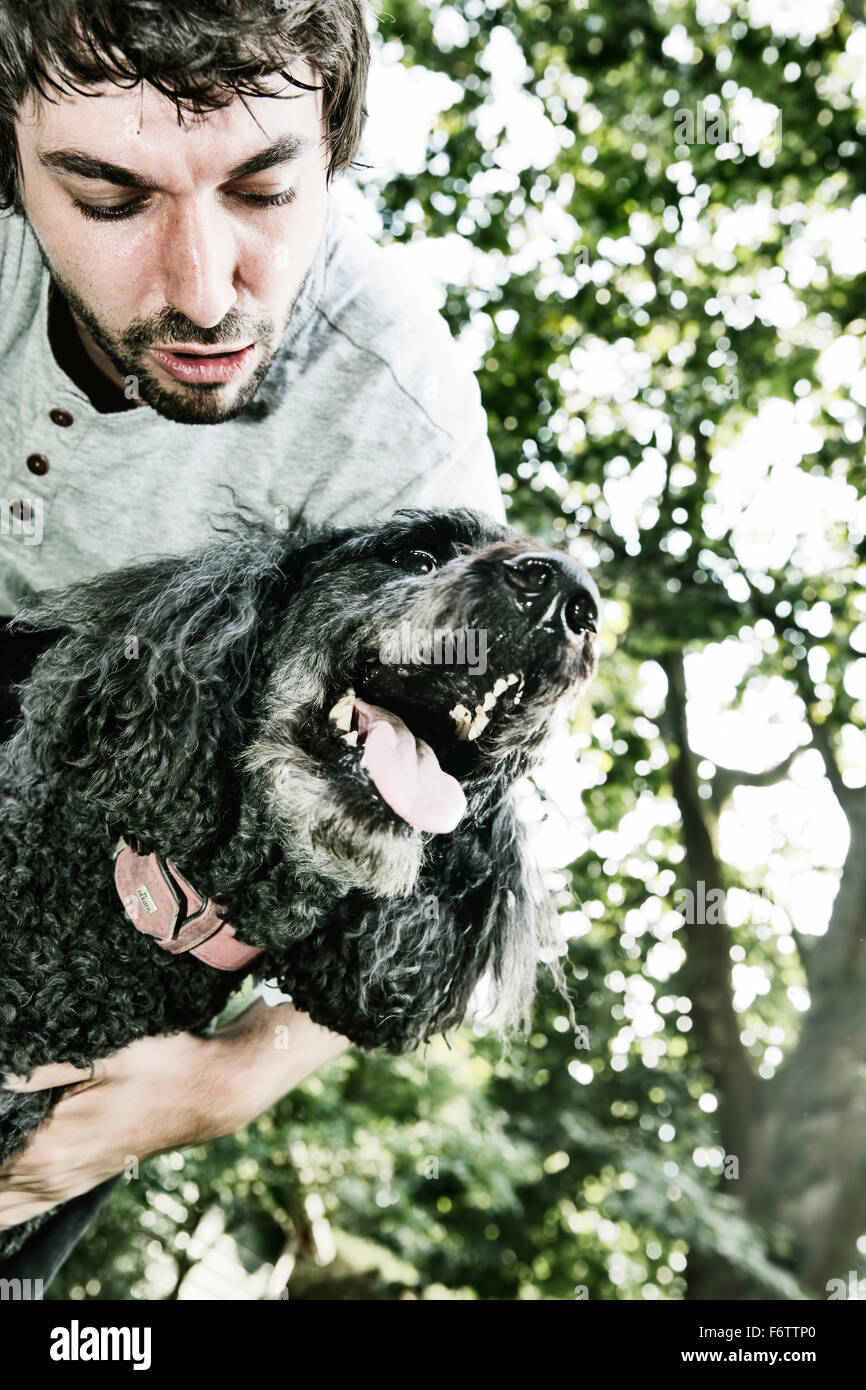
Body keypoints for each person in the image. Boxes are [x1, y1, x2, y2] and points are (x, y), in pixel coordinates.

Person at [0, 0, 505, 1289]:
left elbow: (450, 848)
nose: (205, 288)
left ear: (336, 147)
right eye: (109, 201)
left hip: (112, 868)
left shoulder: (396, 427)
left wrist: (224, 1081)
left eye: (268, 188)